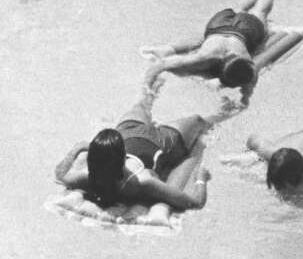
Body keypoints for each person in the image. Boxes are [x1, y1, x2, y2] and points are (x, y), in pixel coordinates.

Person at [53, 90, 238, 212]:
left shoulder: (87, 178)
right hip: (162, 140)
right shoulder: (142, 182)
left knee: (141, 105)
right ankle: (227, 110)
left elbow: (60, 174)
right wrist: (201, 178)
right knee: (199, 121)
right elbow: (194, 202)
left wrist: (76, 149)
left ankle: (152, 85)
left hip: (127, 131)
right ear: (122, 156)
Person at [142, 0, 280, 98]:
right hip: (237, 30)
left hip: (220, 23)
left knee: (244, 10)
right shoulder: (243, 63)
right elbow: (161, 64)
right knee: (261, 13)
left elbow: (162, 64)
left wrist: (148, 85)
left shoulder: (208, 57)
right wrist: (146, 88)